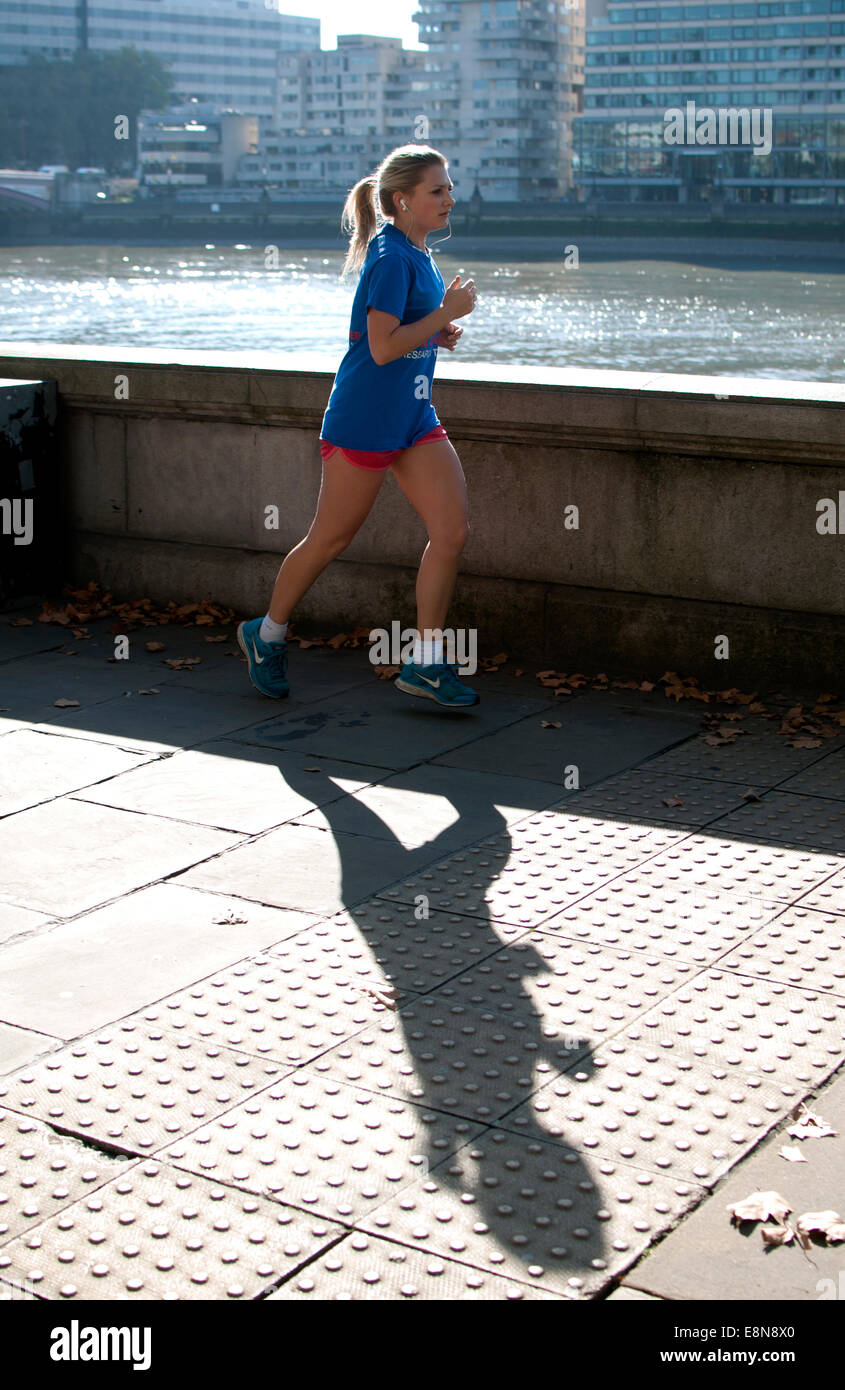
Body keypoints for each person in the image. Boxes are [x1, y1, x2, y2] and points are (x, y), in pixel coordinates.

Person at [237, 144, 480, 710]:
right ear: (403, 200)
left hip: (413, 416)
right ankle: (266, 633)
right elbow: (380, 345)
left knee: (451, 533)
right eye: (437, 190)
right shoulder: (391, 256)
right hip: (366, 420)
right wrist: (446, 315)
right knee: (331, 538)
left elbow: (404, 334)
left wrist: (437, 332)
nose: (450, 198)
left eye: (448, 187)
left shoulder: (417, 252)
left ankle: (424, 662)